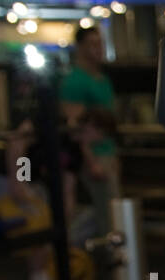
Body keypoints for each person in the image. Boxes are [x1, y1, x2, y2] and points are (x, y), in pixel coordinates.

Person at [59, 24, 119, 237]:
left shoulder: (103, 79)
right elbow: (75, 127)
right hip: (92, 156)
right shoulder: (75, 82)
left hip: (107, 152)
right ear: (81, 48)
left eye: (100, 43)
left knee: (113, 211)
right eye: (92, 44)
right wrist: (91, 160)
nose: (98, 49)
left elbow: (107, 122)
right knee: (105, 214)